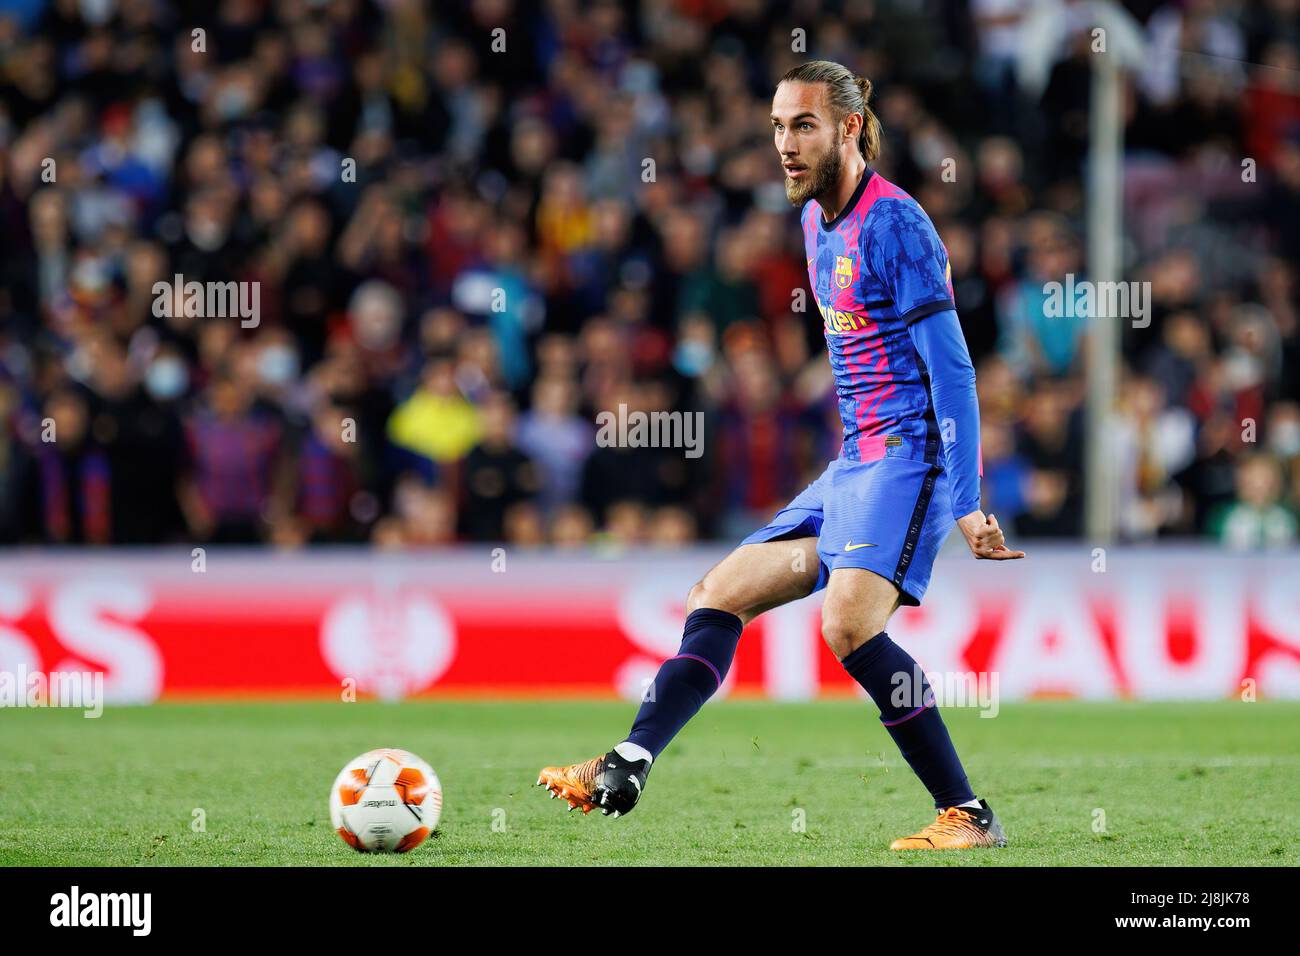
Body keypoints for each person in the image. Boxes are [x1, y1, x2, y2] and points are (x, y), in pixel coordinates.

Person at [537, 60, 1024, 851]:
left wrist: (966, 499)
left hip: (908, 462)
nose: (785, 145)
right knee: (718, 593)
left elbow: (954, 369)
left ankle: (967, 814)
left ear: (849, 127)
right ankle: (627, 760)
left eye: (803, 126)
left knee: (848, 628)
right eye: (776, 127)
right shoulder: (811, 222)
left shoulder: (898, 225)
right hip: (855, 462)